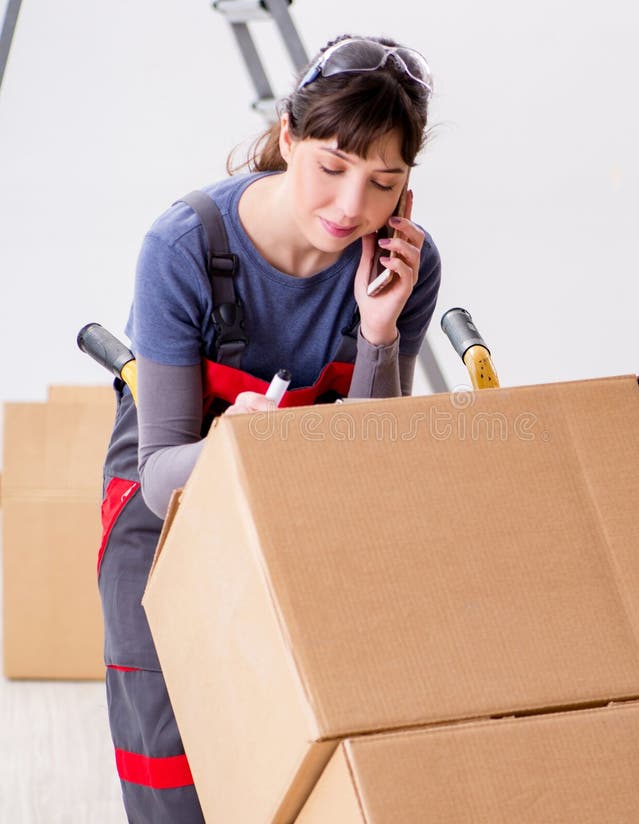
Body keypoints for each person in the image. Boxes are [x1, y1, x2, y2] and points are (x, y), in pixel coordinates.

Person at [97, 34, 441, 822]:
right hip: (168, 513)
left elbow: (375, 465)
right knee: (171, 753)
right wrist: (231, 452)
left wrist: (378, 332)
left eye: (383, 183)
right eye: (330, 167)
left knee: (308, 740)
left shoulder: (402, 269)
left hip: (311, 511)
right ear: (288, 136)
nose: (352, 206)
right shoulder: (185, 245)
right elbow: (157, 476)